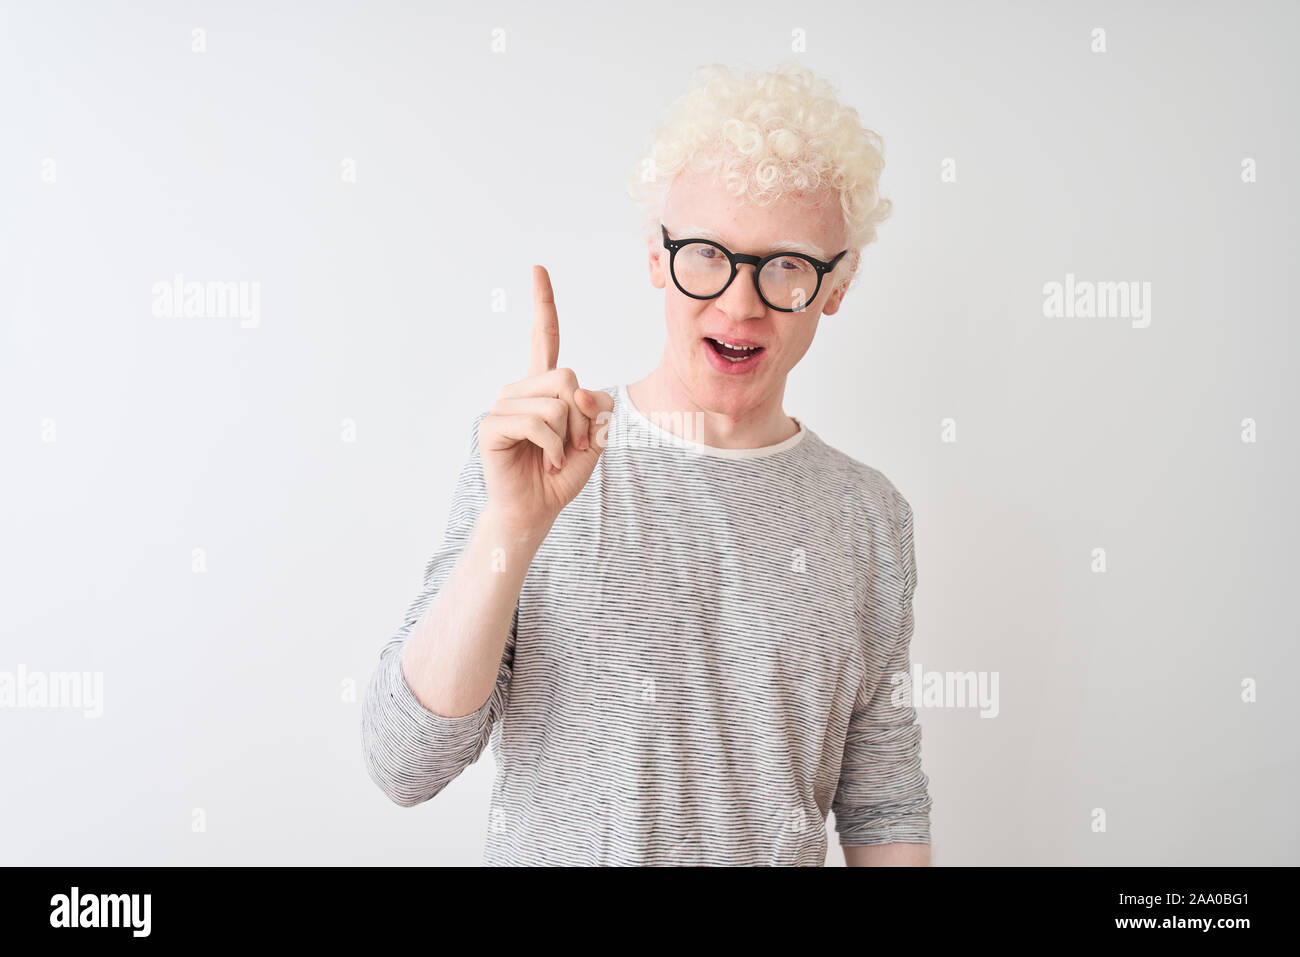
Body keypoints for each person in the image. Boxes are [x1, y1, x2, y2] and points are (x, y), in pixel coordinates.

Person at [361, 61, 933, 866]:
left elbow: (883, 808)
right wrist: (511, 529)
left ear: (836, 285)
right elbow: (403, 763)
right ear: (658, 257)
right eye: (707, 254)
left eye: (787, 266)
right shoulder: (536, 460)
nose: (740, 303)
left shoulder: (870, 516)